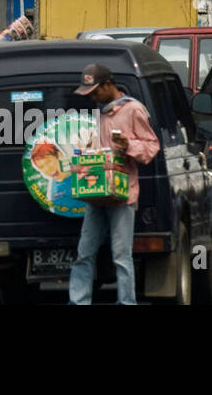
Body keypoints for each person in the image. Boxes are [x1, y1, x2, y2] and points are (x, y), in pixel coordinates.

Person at [68, 63, 160, 305]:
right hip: (96, 194)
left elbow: (151, 147)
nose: (93, 97)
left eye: (95, 92)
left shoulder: (132, 110)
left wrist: (127, 146)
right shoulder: (100, 112)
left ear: (108, 85)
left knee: (121, 255)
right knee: (84, 253)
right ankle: (79, 301)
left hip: (122, 195)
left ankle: (127, 302)